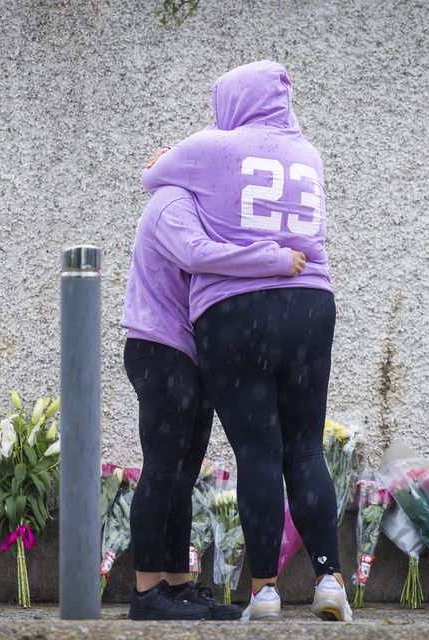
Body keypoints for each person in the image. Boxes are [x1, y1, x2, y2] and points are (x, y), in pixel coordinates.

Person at [140, 60, 350, 622]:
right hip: (311, 300)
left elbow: (151, 178)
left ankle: (264, 590)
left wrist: (165, 161)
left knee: (259, 450)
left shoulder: (214, 146)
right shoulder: (310, 154)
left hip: (234, 310)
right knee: (306, 447)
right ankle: (331, 579)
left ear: (233, 102)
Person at [120, 178, 306, 620]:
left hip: (188, 353)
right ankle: (147, 594)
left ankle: (177, 587)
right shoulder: (173, 203)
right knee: (163, 470)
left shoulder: (200, 206)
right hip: (160, 348)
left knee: (184, 474)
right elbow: (197, 254)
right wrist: (273, 259)